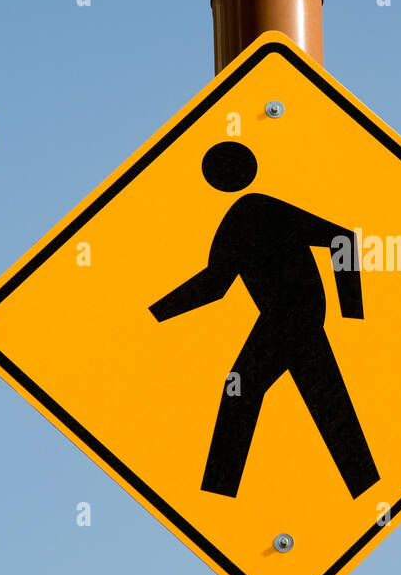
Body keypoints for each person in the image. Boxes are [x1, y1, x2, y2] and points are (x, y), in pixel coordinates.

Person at [149, 141, 380, 499]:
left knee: (241, 389)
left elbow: (341, 238)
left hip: (294, 314)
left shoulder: (257, 207)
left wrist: (352, 313)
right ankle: (365, 486)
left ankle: (218, 491)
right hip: (285, 316)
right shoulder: (238, 218)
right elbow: (215, 284)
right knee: (324, 397)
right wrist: (155, 314)